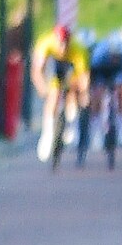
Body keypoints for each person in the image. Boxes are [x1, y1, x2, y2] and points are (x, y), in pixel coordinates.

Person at [29, 24, 89, 162]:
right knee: (53, 94)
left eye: (65, 44)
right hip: (54, 66)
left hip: (71, 68)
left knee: (74, 91)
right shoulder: (45, 44)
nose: (62, 48)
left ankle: (71, 123)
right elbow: (37, 70)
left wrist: (84, 93)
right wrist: (42, 88)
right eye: (60, 44)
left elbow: (83, 77)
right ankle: (47, 133)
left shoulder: (78, 48)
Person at [87, 29, 122, 150]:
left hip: (118, 71)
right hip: (101, 71)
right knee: (97, 94)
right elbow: (91, 74)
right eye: (113, 55)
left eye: (117, 56)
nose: (115, 58)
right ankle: (96, 131)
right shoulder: (99, 53)